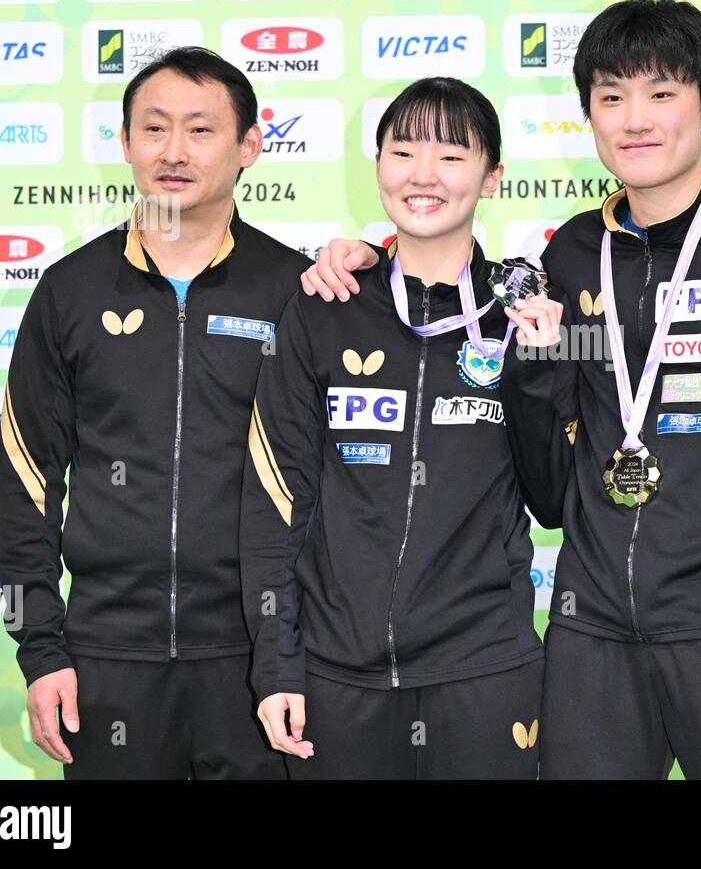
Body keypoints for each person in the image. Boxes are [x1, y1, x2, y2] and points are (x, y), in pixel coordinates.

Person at [306, 0, 701, 779]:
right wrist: (368, 253)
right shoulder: (569, 253)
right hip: (592, 627)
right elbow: (548, 488)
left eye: (662, 93)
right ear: (588, 114)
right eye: (611, 96)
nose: (635, 118)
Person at [0, 46, 318, 777]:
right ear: (126, 143)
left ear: (250, 147)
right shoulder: (68, 291)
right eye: (155, 129)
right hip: (105, 663)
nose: (174, 152)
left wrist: (293, 652)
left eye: (201, 130)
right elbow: (25, 486)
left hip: (258, 665)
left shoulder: (296, 291)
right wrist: (41, 651)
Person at [240, 77, 565, 779]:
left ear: (493, 176)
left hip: (483, 671)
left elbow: (554, 499)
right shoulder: (326, 303)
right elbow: (276, 501)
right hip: (334, 676)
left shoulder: (523, 313)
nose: (423, 174)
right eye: (403, 151)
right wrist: (277, 663)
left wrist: (539, 367)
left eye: (452, 156)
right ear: (379, 165)